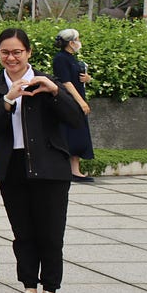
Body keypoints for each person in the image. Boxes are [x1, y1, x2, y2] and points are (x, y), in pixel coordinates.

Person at [0, 27, 86, 293]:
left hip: (50, 167)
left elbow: (75, 118)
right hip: (11, 167)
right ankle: (29, 291)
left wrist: (54, 92)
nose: (11, 58)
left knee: (50, 234)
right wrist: (8, 99)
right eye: (5, 52)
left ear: (28, 53)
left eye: (17, 52)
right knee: (23, 234)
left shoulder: (46, 82)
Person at [52, 28, 95, 183]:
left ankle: (75, 169)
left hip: (77, 99)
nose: (79, 42)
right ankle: (71, 170)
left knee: (78, 134)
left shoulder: (72, 58)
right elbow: (66, 82)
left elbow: (76, 78)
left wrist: (86, 79)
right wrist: (81, 102)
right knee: (72, 134)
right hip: (70, 101)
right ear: (71, 42)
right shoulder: (61, 58)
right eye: (77, 39)